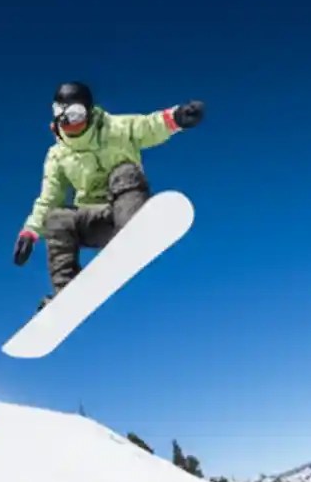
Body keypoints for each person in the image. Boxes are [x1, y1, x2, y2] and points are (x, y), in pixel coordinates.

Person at [11, 81, 206, 310]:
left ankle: (131, 232)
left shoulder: (116, 128)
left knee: (123, 172)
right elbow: (49, 198)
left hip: (127, 205)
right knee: (56, 218)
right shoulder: (57, 155)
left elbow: (149, 126)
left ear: (89, 112)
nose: (67, 121)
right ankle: (66, 292)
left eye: (75, 114)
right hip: (96, 220)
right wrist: (30, 231)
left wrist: (178, 117)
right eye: (59, 112)